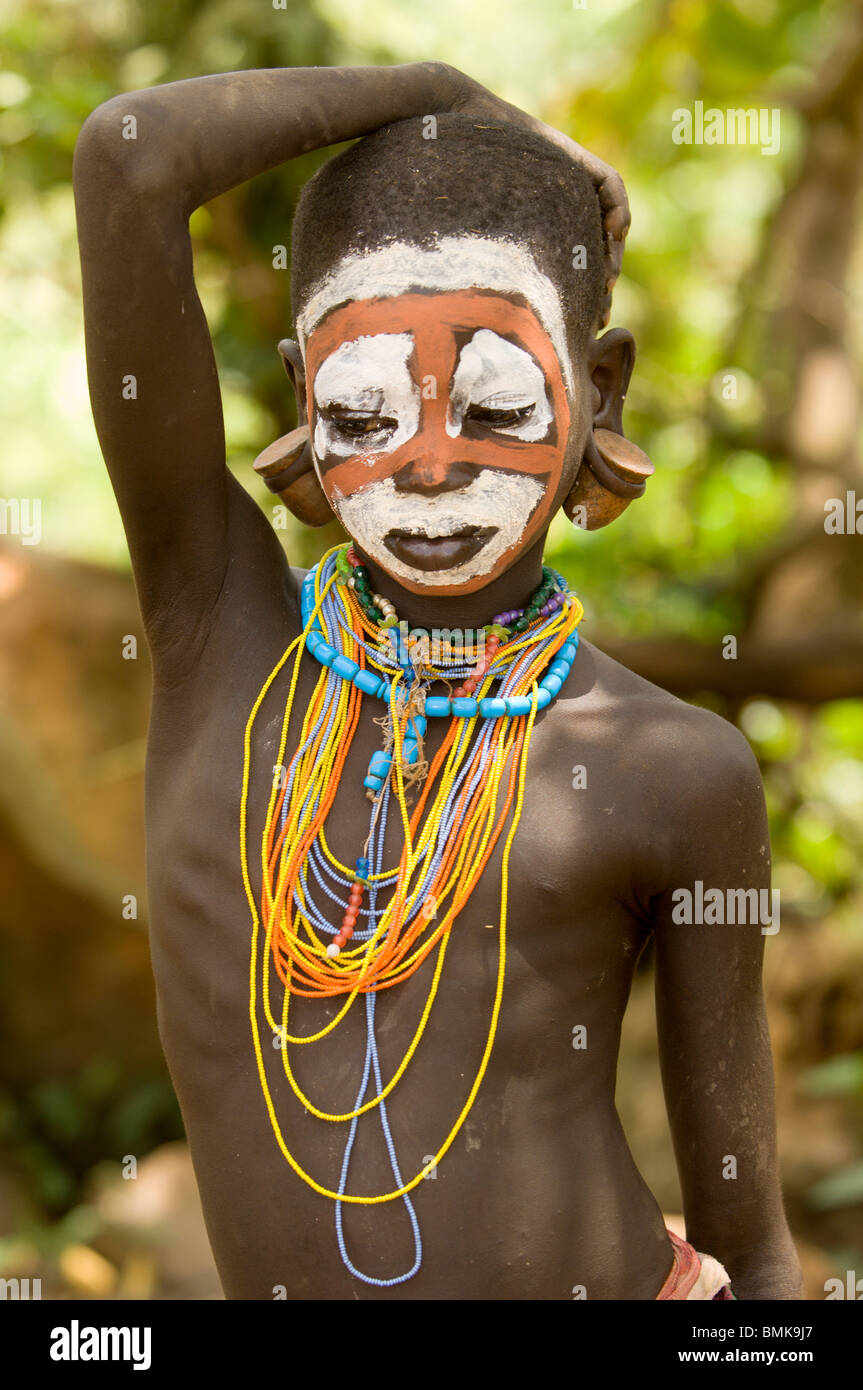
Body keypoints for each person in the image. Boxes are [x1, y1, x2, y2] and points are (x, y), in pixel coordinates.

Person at [73, 61, 803, 1300]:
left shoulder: (671, 768)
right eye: (363, 407)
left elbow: (754, 1244)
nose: (423, 466)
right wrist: (445, 92)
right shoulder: (221, 642)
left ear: (601, 389)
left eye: (495, 401)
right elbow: (126, 151)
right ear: (303, 397)